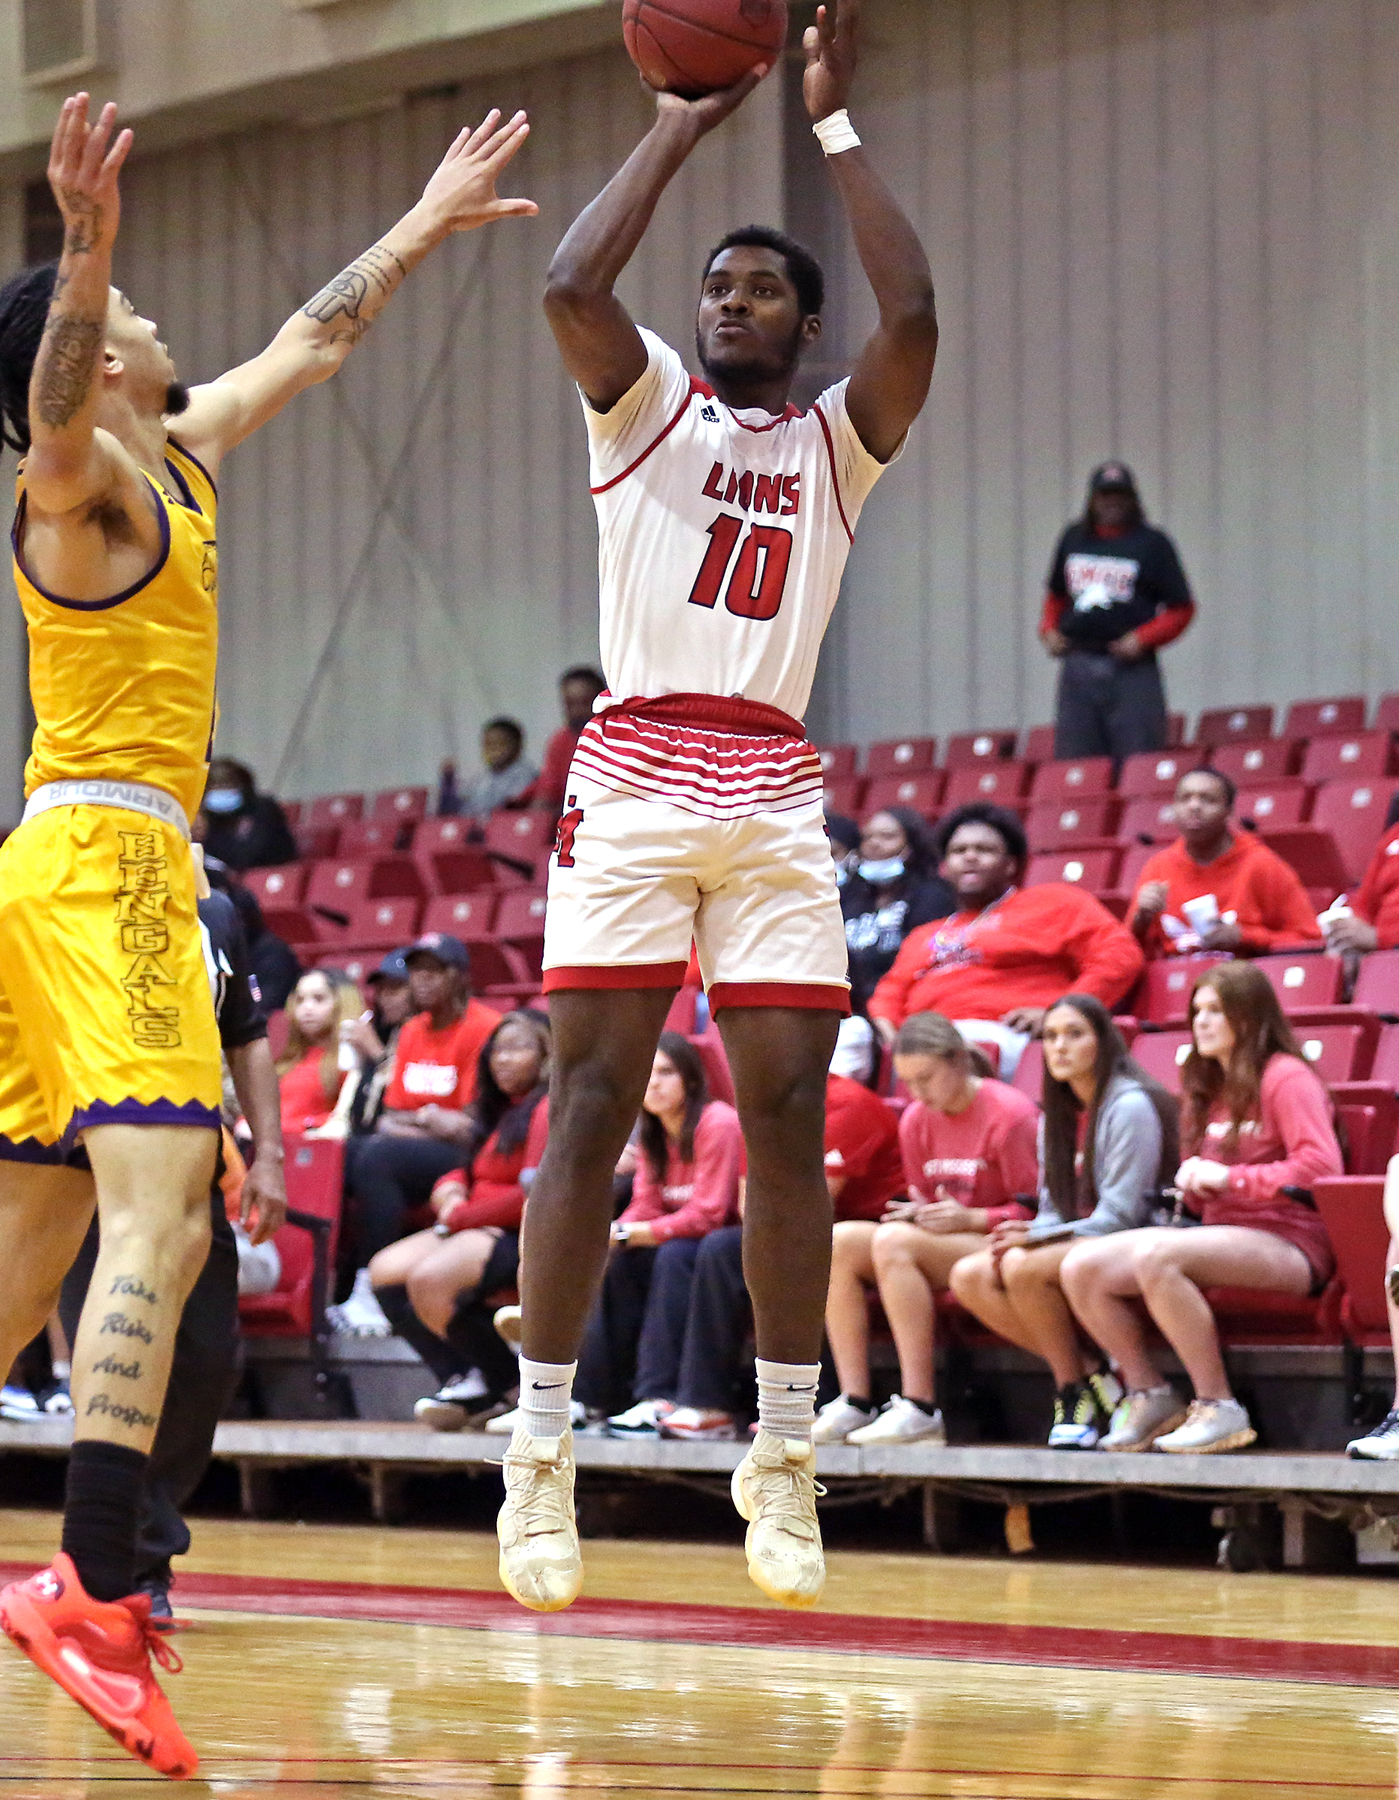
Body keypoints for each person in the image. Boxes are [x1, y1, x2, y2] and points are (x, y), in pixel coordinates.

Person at [0, 92, 535, 1775]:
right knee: (162, 1215)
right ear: (86, 365)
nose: (163, 325)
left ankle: (87, 1578)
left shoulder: (185, 447)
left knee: (25, 1247)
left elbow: (310, 343)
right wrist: (84, 249)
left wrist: (421, 220)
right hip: (106, 864)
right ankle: (89, 1593)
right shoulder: (74, 488)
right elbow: (48, 419)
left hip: (63, 871)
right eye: (127, 318)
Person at [498, 0, 936, 1615]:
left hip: (764, 786)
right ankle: (537, 1456)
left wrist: (825, 125)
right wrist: (681, 114)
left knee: (783, 1139)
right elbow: (565, 282)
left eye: (759, 284)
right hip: (628, 772)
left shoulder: (836, 442)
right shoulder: (645, 407)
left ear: (800, 327)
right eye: (716, 282)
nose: (727, 296)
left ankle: (781, 1452)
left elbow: (918, 310)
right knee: (592, 1109)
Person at [58, 884, 286, 1625]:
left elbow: (245, 1034)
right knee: (106, 1361)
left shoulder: (214, 915)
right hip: (78, 1167)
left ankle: (133, 1550)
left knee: (203, 1362)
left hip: (191, 1165)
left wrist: (270, 1156)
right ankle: (129, 1561)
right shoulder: (66, 893)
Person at [1060, 963, 1342, 1454]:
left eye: (1216, 1010)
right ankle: (1149, 1392)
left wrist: (1233, 1179)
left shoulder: (1286, 1076)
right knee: (1081, 1265)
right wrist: (1194, 1184)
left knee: (1158, 1257)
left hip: (1291, 1241)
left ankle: (1219, 1405)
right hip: (1221, 1233)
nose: (1202, 1022)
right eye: (1197, 1011)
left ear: (1250, 1017)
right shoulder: (1207, 1083)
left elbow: (1321, 1165)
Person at [631, 1051, 904, 1442]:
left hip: (863, 1230)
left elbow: (814, 1206)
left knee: (792, 1251)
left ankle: (812, 1401)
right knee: (721, 1249)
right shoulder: (758, 1107)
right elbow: (749, 1206)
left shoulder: (848, 1103)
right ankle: (706, 1405)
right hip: (800, 1226)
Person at [951, 996, 1177, 1448]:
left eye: (1075, 1034)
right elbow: (1053, 1208)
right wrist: (1039, 1230)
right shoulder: (1056, 1115)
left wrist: (1037, 1235)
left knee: (1021, 1265)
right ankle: (1088, 1380)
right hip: (1084, 1239)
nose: (1060, 1047)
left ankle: (1101, 1388)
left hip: (1141, 1235)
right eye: (1051, 1036)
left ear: (1104, 1042)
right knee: (969, 1275)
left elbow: (1122, 1215)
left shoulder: (1130, 1105)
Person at [816, 1012, 1039, 1446]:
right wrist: (918, 1213)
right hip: (947, 1237)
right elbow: (926, 1197)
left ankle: (919, 1405)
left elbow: (1040, 1212)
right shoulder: (915, 1119)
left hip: (1003, 1236)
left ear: (958, 1061)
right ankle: (855, 1399)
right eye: (908, 1083)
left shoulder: (1010, 1115)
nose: (917, 1093)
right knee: (839, 1241)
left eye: (926, 1078)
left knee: (894, 1243)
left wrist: (972, 1218)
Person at [369, 1011, 550, 1430]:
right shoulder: (497, 1108)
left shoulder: (546, 1108)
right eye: (498, 1049)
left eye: (519, 1048)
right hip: (471, 1222)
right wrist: (449, 1187)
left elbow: (535, 1191)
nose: (503, 1059)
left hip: (514, 1231)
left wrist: (462, 1215)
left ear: (545, 1056)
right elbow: (470, 1166)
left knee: (429, 1280)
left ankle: (508, 1387)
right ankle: (464, 1377)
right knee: (384, 1272)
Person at [868, 804, 1144, 1074]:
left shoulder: (1055, 902)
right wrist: (888, 1030)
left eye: (984, 850)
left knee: (955, 1048)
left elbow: (1119, 956)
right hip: (921, 1045)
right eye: (959, 851)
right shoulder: (924, 934)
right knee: (850, 1036)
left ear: (1011, 864)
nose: (970, 857)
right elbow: (889, 993)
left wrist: (1062, 1011)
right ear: (945, 868)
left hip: (1004, 1037)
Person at [575, 1035, 742, 1431]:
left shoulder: (718, 1122)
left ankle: (660, 1397)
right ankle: (591, 1398)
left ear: (692, 1080)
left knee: (669, 1255)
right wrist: (619, 1233)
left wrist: (634, 1233)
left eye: (665, 1072)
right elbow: (646, 1201)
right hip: (684, 1240)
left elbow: (711, 1214)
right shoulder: (653, 1129)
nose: (653, 1083)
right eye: (645, 1075)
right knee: (621, 1261)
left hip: (724, 1243)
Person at [336, 933, 502, 1330]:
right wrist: (431, 1119)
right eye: (416, 973)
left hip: (469, 1156)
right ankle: (338, 1286)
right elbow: (390, 1117)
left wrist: (426, 1120)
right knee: (349, 1154)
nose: (421, 981)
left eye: (433, 971)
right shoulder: (411, 1031)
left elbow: (473, 1126)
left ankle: (371, 1289)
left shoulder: (485, 1027)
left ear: (459, 977)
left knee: (378, 1156)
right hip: (416, 1148)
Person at [1039, 461, 1195, 762]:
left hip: (1131, 669)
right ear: (1092, 500)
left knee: (1138, 758)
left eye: (1120, 495)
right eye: (1105, 495)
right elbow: (1056, 596)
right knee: (1078, 760)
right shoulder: (1073, 538)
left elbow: (1182, 609)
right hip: (1078, 663)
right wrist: (1048, 629)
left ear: (1133, 499)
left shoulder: (1153, 544)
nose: (1112, 502)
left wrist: (1144, 638)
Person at [1130, 768, 1322, 958]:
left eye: (1208, 799)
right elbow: (1128, 951)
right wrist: (1142, 919)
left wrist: (1245, 937)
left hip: (1245, 979)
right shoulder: (1158, 867)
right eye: (1184, 798)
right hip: (1176, 980)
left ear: (1228, 811)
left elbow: (1310, 940)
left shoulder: (1261, 864)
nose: (1194, 806)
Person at [841, 807, 954, 1013]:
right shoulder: (847, 895)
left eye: (887, 836)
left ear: (910, 845)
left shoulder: (932, 895)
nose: (874, 844)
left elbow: (923, 959)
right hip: (849, 1001)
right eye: (868, 837)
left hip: (900, 1002)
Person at [311, 949, 415, 1140]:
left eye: (394, 989)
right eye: (381, 990)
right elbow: (353, 1088)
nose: (385, 998)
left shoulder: (422, 1033)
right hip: (358, 1134)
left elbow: (408, 1089)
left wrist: (376, 1052)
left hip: (396, 1136)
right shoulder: (379, 1029)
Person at [275, 968, 361, 1136]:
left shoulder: (347, 1061)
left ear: (340, 1002)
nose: (307, 1008)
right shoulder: (286, 1061)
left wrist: (304, 1125)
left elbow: (342, 1120)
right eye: (300, 1000)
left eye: (319, 999)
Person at [532, 667, 607, 818]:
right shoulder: (559, 741)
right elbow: (545, 796)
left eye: (585, 702)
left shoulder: (619, 737)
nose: (577, 711)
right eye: (570, 704)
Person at [198, 758, 296, 871]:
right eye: (214, 786)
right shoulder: (205, 817)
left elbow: (273, 851)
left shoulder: (264, 810)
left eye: (228, 784)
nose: (221, 790)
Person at [438, 717, 539, 825]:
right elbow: (459, 812)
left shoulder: (525, 775)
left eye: (499, 743)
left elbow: (509, 807)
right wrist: (448, 785)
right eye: (487, 744)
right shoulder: (480, 778)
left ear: (517, 745)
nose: (493, 750)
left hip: (506, 832)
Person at [1322, 820, 1399, 958]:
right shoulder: (1394, 836)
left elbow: (1372, 937)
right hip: (1381, 960)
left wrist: (1379, 939)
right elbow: (1364, 908)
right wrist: (1347, 942)